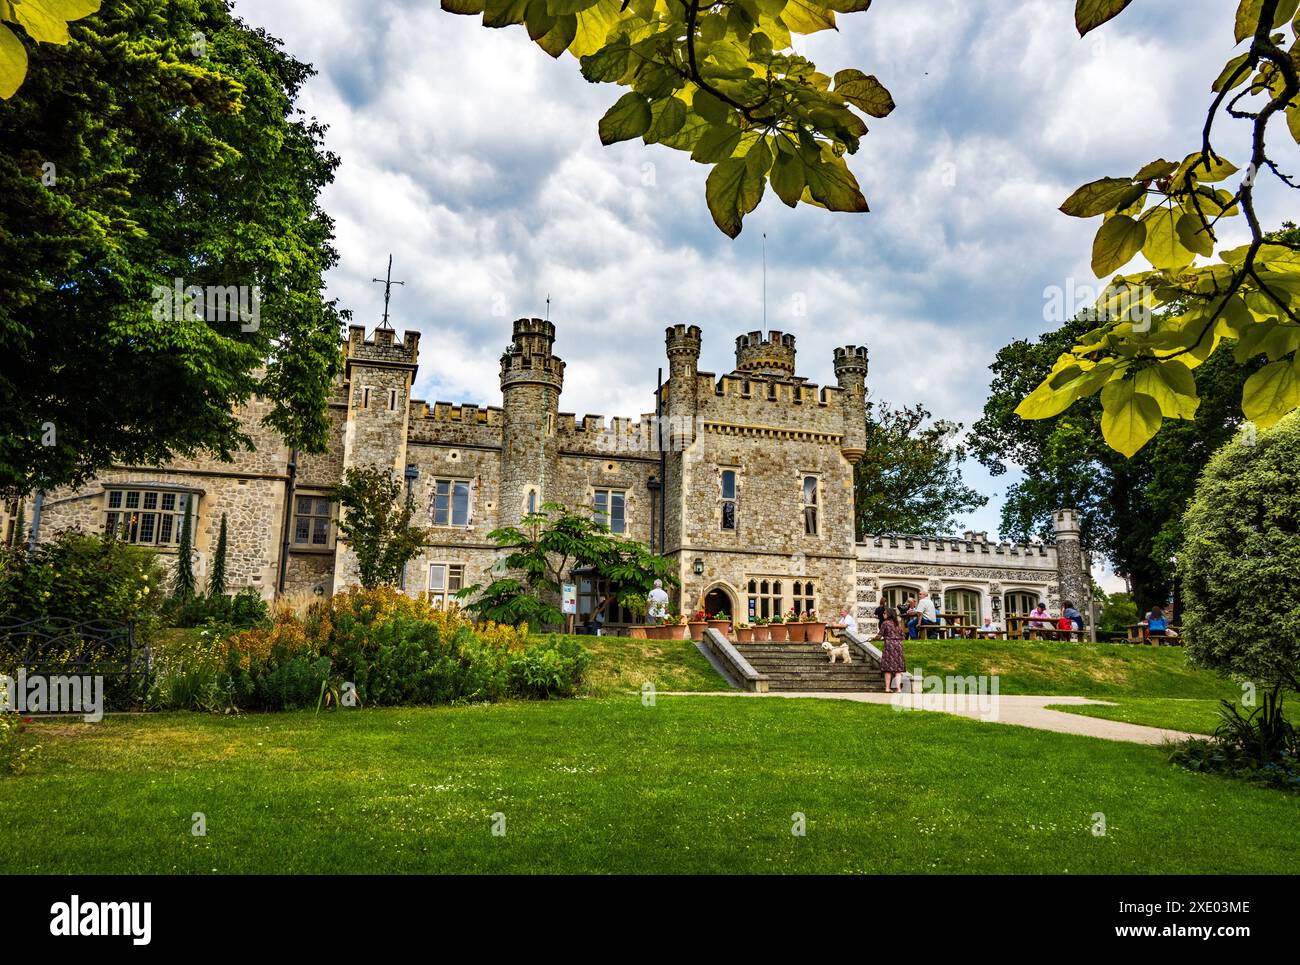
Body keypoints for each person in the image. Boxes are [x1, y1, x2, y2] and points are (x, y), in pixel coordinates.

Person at [876, 607, 906, 693]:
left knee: (887, 669)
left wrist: (873, 638)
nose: (883, 614)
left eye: (885, 613)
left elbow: (879, 635)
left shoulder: (885, 623)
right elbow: (903, 636)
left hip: (889, 645)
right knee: (898, 669)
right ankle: (898, 689)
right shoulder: (898, 623)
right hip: (898, 646)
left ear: (889, 614)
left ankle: (887, 688)